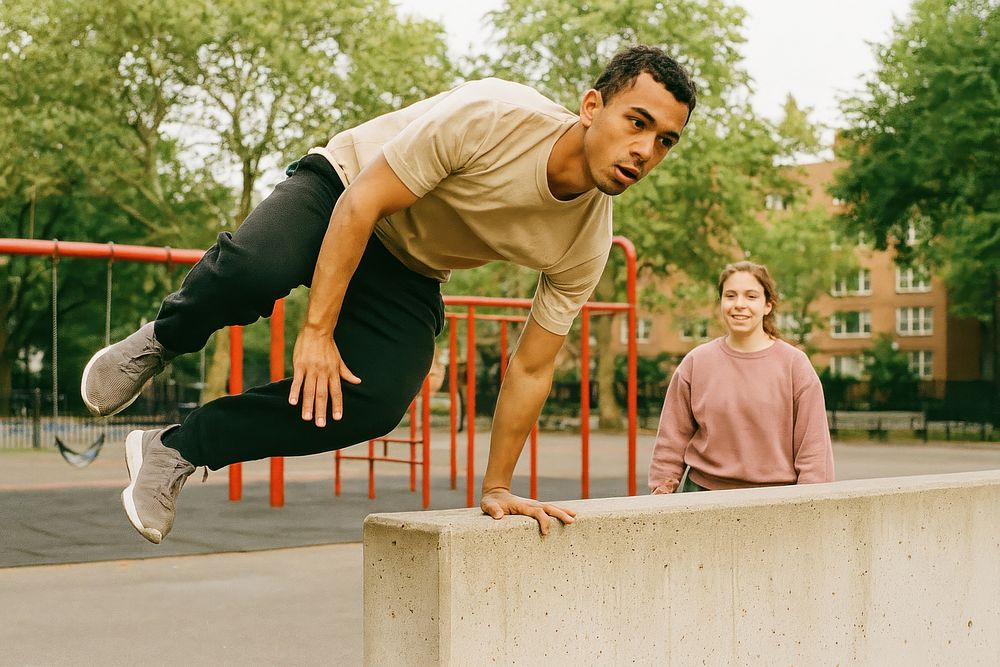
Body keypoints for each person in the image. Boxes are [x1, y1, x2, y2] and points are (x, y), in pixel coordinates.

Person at [81, 45, 697, 544]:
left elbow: (532, 367)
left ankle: (175, 450)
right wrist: (315, 332)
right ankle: (162, 339)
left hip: (410, 266)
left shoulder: (587, 242)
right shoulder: (494, 115)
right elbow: (364, 202)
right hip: (347, 189)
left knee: (374, 400)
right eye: (636, 123)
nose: (645, 150)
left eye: (665, 140)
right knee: (254, 272)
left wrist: (496, 487)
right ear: (592, 107)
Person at [648, 261, 834, 495]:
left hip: (777, 500)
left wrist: (812, 501)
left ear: (768, 305)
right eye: (730, 296)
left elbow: (814, 448)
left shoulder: (795, 365)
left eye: (751, 296)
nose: (739, 305)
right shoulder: (696, 362)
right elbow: (671, 437)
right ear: (721, 302)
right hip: (703, 496)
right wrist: (661, 488)